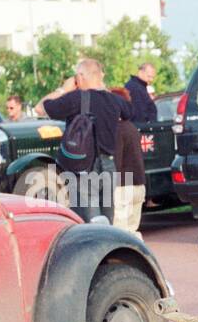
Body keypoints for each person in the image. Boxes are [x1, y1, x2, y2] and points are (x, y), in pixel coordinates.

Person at [36, 57, 131, 221]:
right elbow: (129, 112)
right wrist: (102, 85)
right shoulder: (114, 100)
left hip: (83, 167)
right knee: (107, 221)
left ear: (80, 77)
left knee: (89, 225)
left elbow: (40, 108)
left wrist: (63, 89)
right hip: (108, 165)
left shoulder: (76, 98)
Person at [109, 87, 147, 233]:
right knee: (132, 231)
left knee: (120, 232)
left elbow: (115, 162)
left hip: (123, 186)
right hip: (138, 184)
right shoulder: (131, 127)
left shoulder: (116, 129)